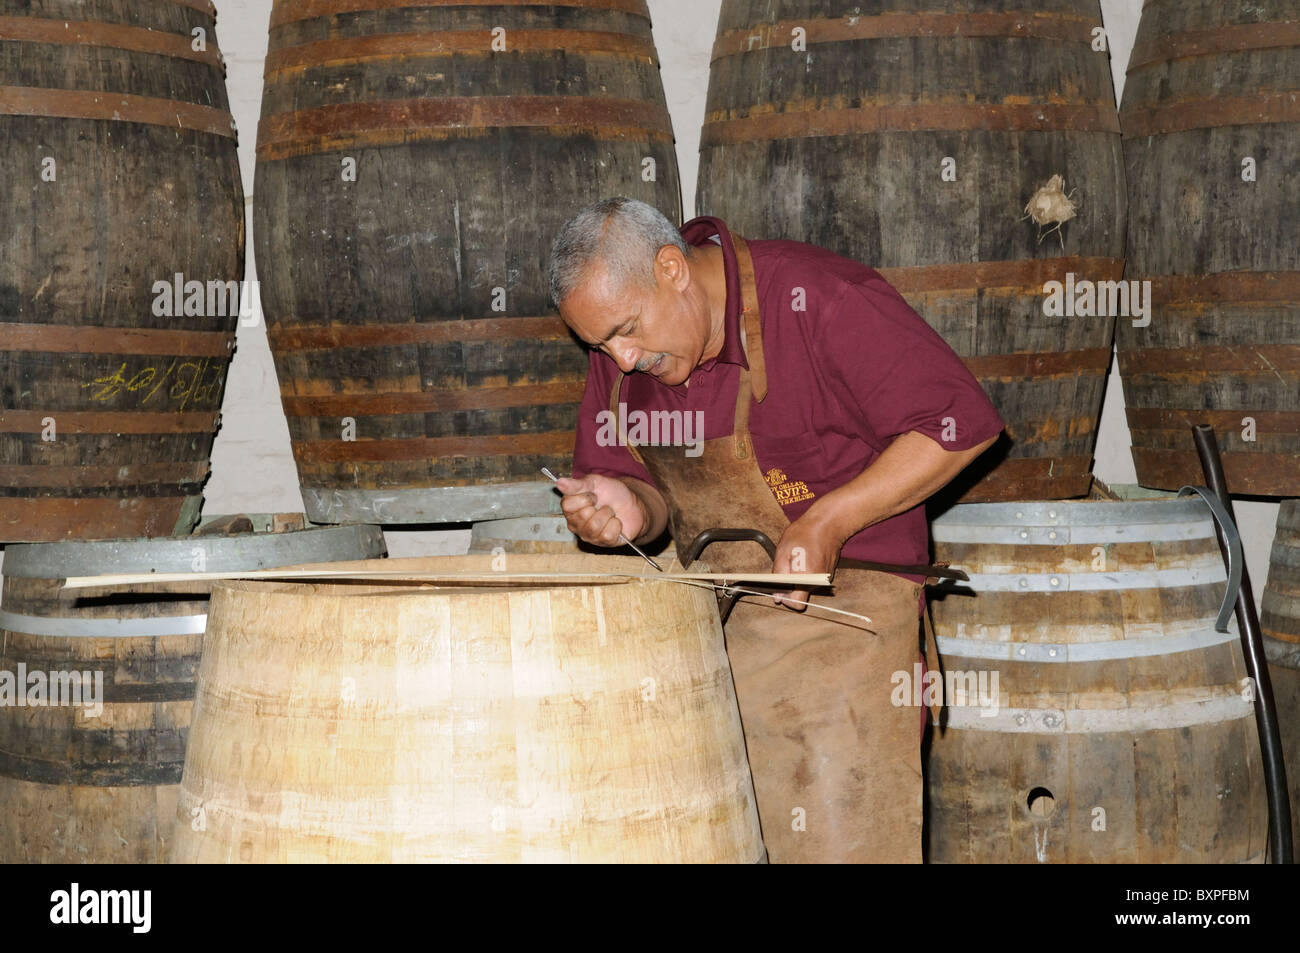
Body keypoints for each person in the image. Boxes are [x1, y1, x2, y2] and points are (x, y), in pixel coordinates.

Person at [547, 196, 1004, 863]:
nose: (619, 359)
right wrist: (623, 507)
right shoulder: (627, 355)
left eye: (626, 330)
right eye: (601, 346)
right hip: (700, 634)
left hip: (840, 628)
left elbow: (959, 426)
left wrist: (830, 517)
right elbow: (641, 488)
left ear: (672, 268)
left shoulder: (817, 298)